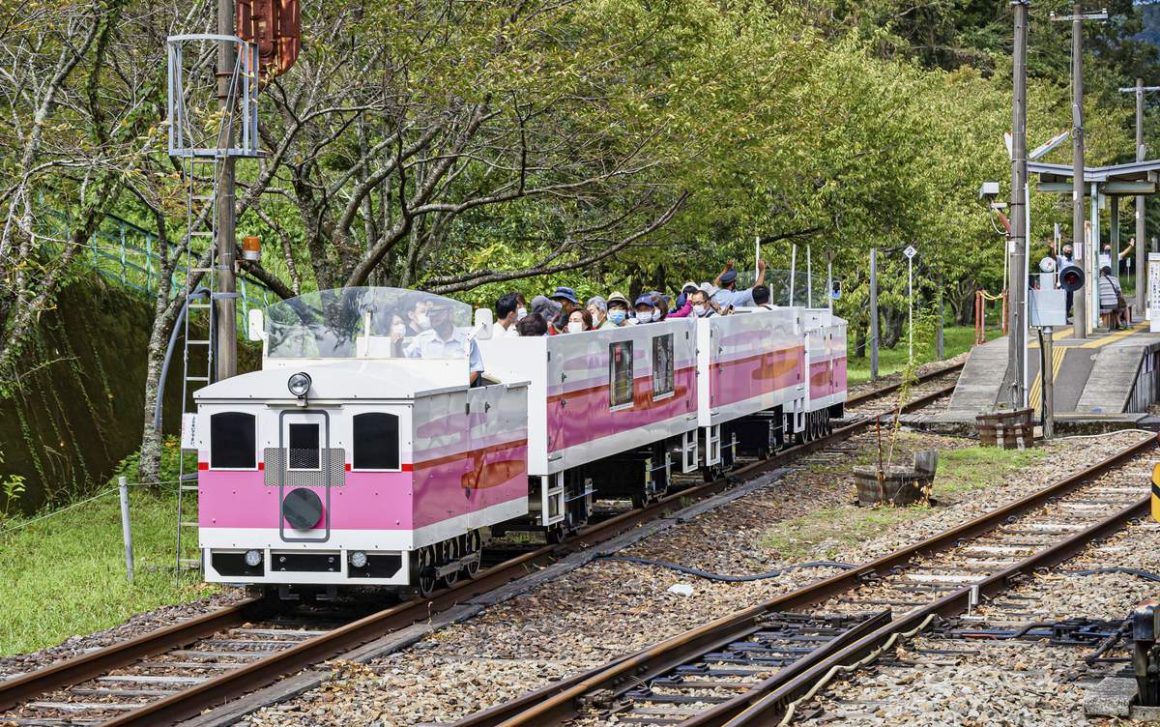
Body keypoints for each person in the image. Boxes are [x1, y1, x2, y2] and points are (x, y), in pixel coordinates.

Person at [405, 300, 484, 385]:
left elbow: (475, 370)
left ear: (450, 314)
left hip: (458, 394)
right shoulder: (421, 339)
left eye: (437, 312)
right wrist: (395, 344)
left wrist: (457, 390)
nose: (433, 317)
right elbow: (402, 359)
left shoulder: (466, 340)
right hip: (428, 393)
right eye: (430, 314)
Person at [1098, 265, 1124, 330]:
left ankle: (1118, 323)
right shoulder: (1115, 279)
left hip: (1103, 304)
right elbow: (1120, 292)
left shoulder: (1098, 280)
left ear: (1102, 272)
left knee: (1114, 309)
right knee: (1123, 307)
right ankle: (1123, 323)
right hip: (1114, 304)